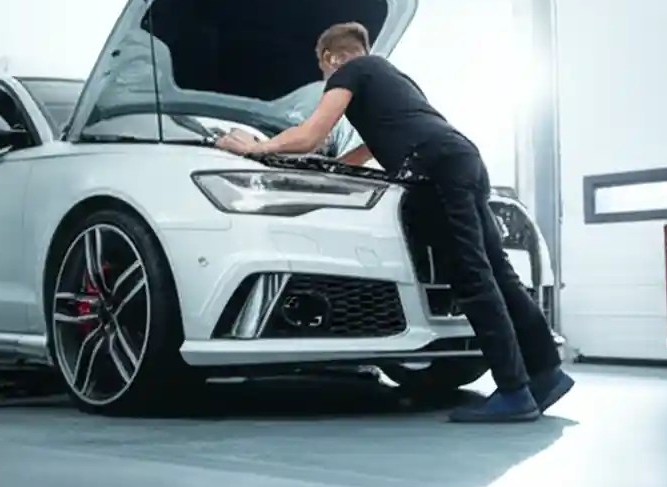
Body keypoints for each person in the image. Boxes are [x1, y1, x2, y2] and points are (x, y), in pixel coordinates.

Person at [214, 22, 574, 423]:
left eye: (322, 70)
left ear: (332, 58)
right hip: (463, 158)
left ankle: (513, 392)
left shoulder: (350, 71)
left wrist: (258, 147)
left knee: (470, 276)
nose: (324, 78)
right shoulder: (392, 78)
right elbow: (371, 147)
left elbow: (312, 134)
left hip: (435, 170)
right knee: (499, 274)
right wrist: (331, 169)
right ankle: (547, 373)